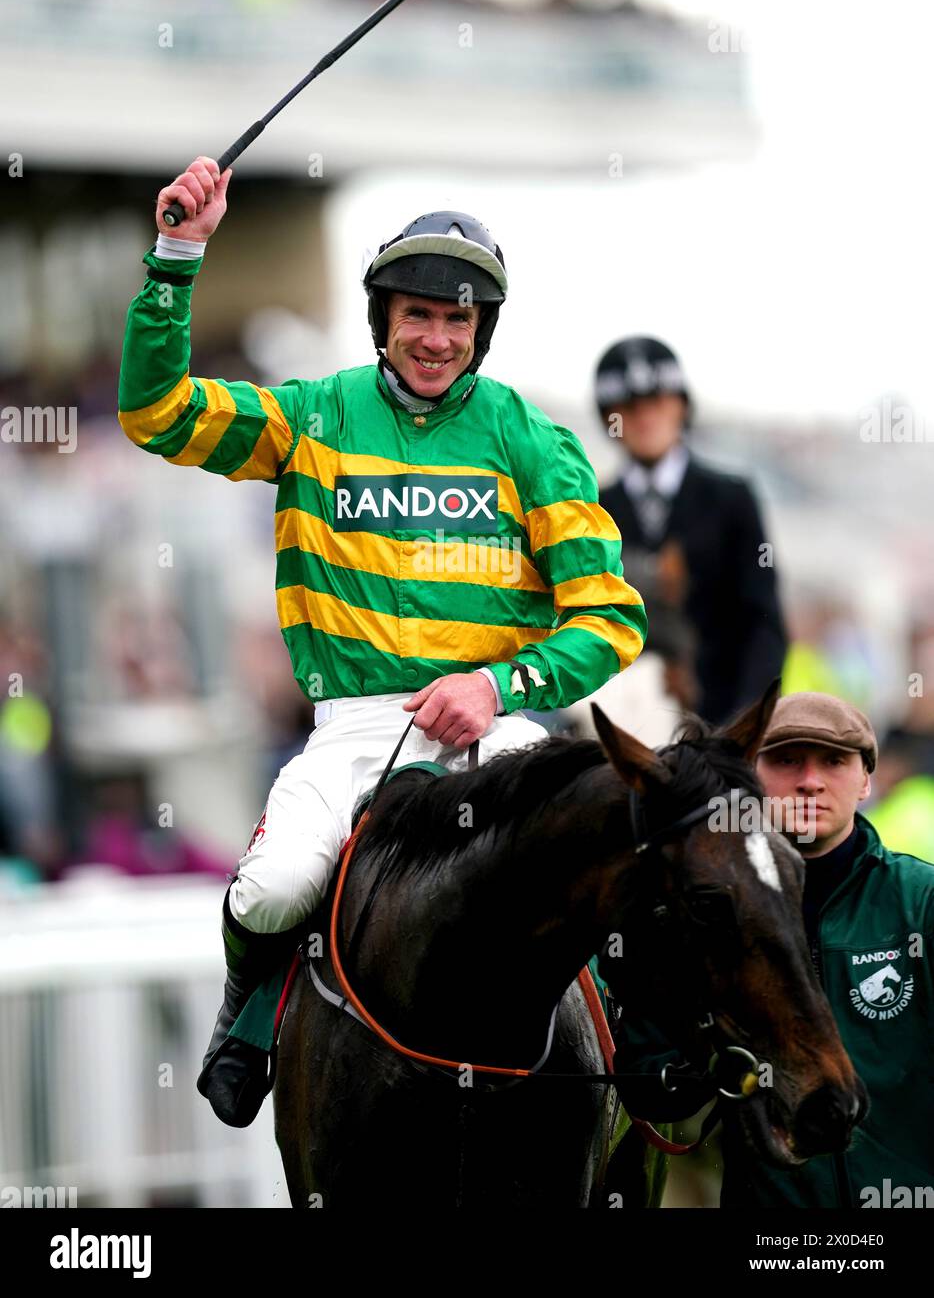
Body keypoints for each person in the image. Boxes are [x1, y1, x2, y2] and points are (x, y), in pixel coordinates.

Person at [118, 157, 648, 1126]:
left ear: (481, 331)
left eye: (457, 321)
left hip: (502, 729)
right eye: (417, 315)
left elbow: (610, 618)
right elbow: (155, 412)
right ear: (382, 319)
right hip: (358, 727)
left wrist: (499, 684)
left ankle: (635, 1063)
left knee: (613, 854)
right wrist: (176, 256)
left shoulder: (533, 441)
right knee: (275, 886)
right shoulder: (311, 416)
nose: (437, 338)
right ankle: (247, 1016)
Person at [611, 691, 934, 1207]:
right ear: (750, 778)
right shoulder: (690, 909)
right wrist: (714, 1066)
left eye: (834, 761)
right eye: (786, 760)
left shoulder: (922, 900)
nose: (810, 780)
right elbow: (647, 1083)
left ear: (866, 780)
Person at [595, 337, 787, 726]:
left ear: (682, 406)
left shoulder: (732, 500)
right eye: (629, 408)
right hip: (621, 728)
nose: (645, 417)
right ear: (608, 419)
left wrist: (746, 723)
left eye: (657, 402)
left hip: (719, 719)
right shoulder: (592, 507)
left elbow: (763, 621)